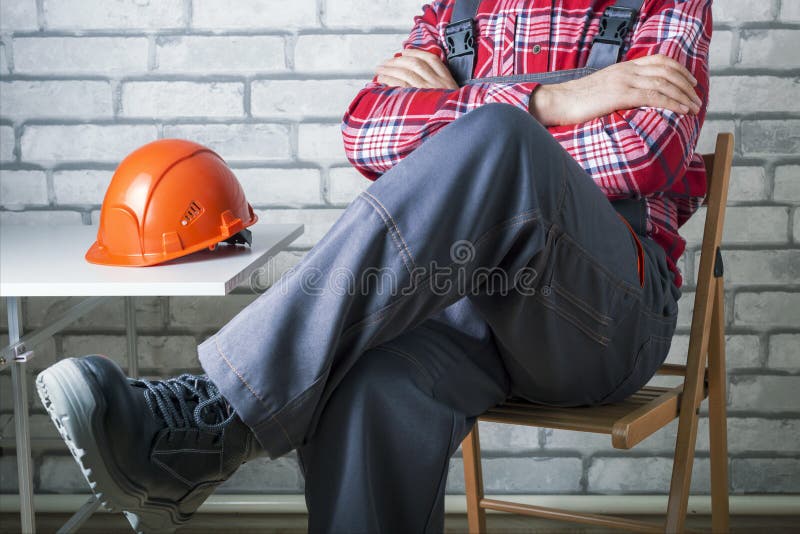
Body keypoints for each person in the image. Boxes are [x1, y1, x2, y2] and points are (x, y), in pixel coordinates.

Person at [35, 0, 711, 532]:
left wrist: (473, 114)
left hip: (599, 316)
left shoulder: (665, 5)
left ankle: (214, 414)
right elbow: (366, 130)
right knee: (368, 381)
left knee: (505, 144)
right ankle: (195, 444)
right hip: (464, 313)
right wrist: (556, 100)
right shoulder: (460, 10)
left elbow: (642, 150)